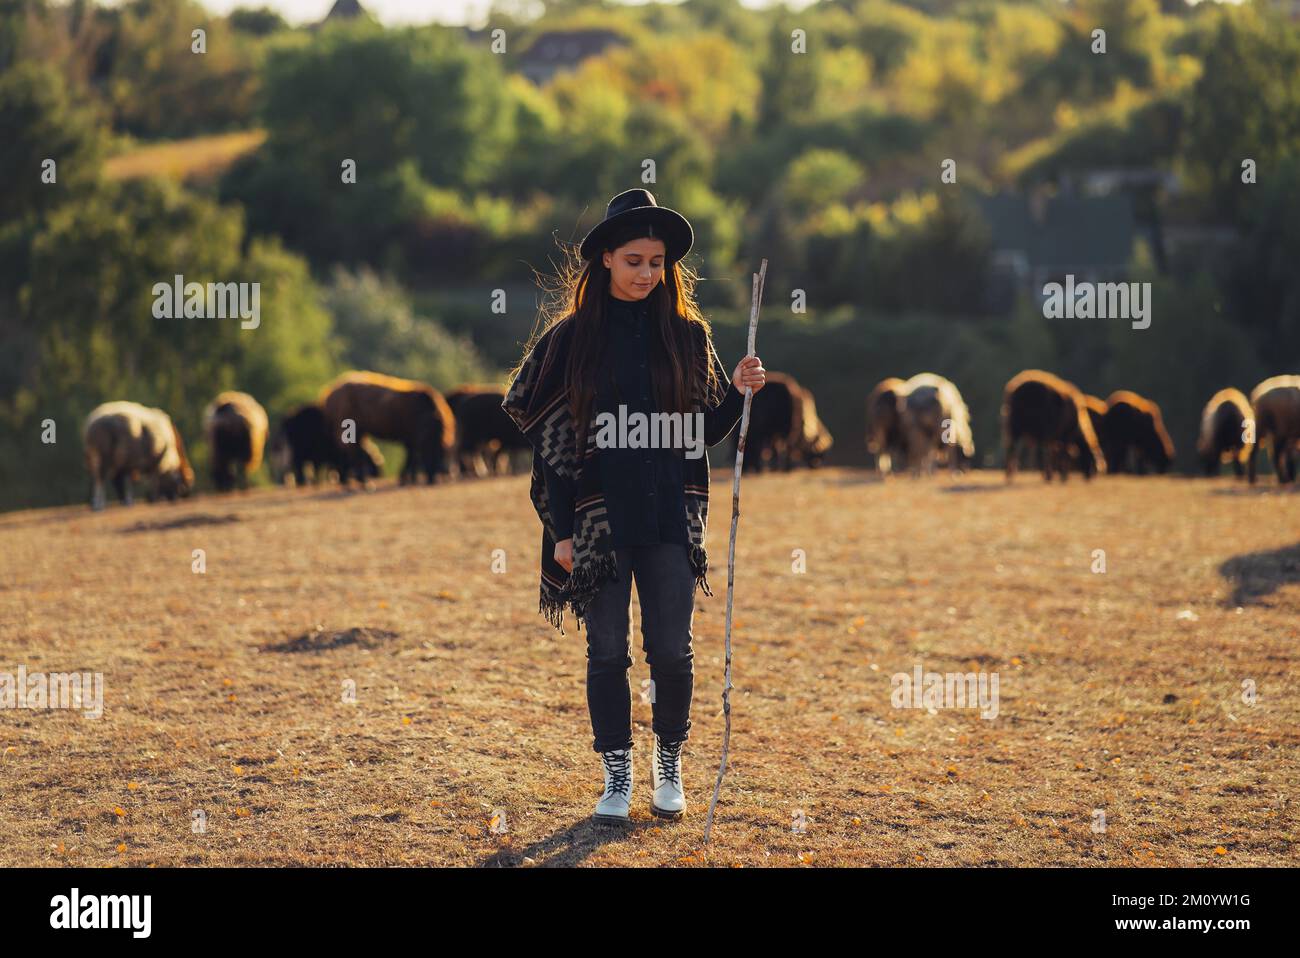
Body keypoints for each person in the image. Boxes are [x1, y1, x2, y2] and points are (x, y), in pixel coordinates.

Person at [502, 188, 766, 824]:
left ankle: (667, 761)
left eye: (656, 262)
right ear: (605, 262)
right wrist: (561, 531)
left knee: (672, 650)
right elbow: (553, 445)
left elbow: (701, 432)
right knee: (607, 651)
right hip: (598, 518)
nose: (647, 273)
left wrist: (736, 393)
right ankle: (615, 775)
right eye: (634, 260)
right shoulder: (571, 341)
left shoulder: (686, 334)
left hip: (671, 515)